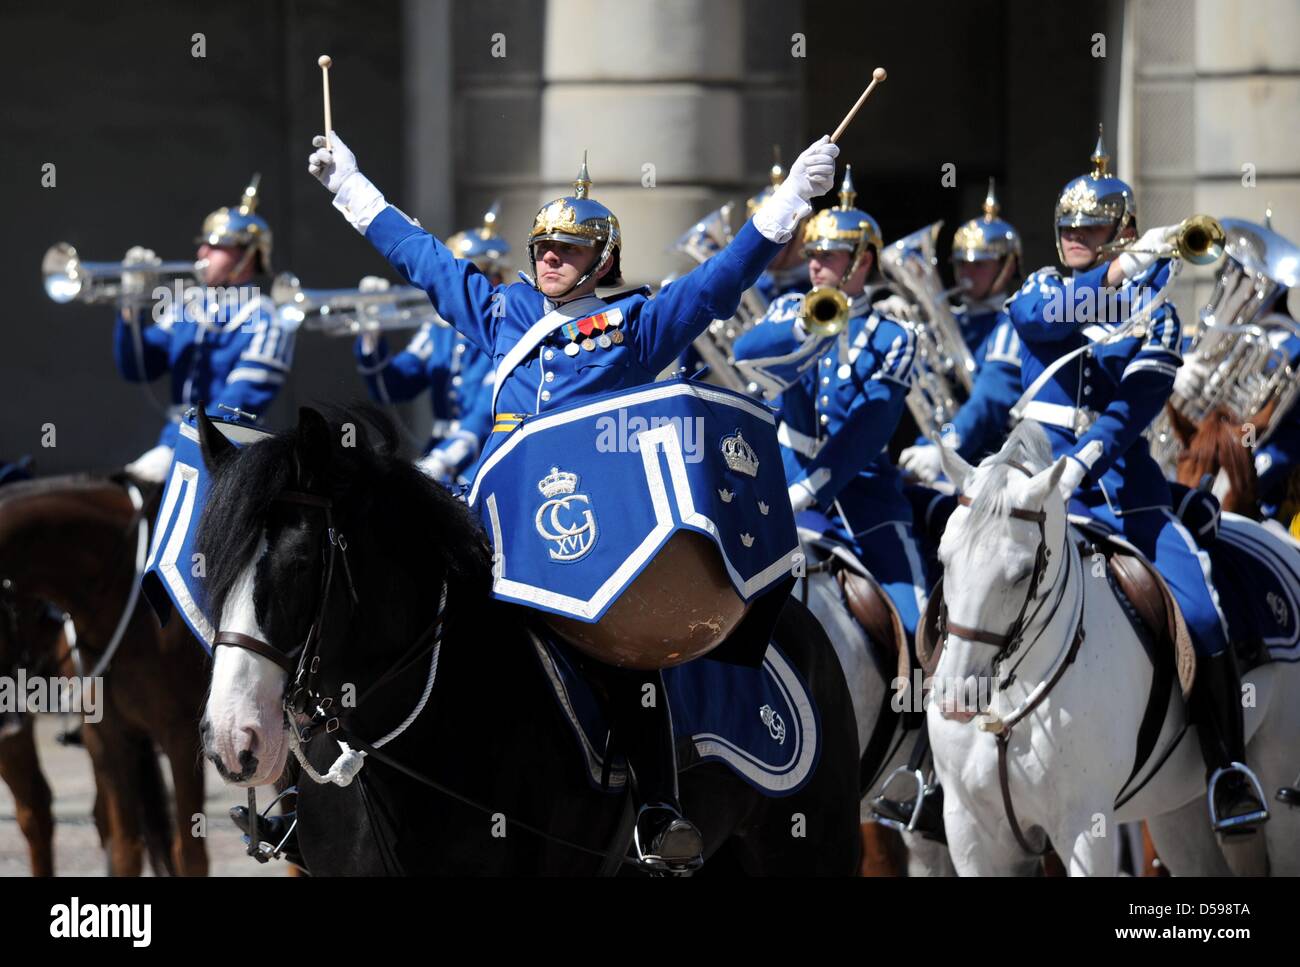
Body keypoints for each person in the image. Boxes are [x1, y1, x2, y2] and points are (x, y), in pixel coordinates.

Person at [309, 128, 840, 871]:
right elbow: (423, 259)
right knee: (367, 598)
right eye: (542, 247)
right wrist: (352, 190)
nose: (550, 258)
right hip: (492, 523)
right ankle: (310, 797)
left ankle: (657, 806)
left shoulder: (637, 323)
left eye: (568, 248)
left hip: (582, 539)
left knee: (630, 650)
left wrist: (788, 204)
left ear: (604, 260)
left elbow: (718, 284)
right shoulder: (502, 315)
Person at [1007, 128, 1268, 834]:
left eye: (1092, 230)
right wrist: (1112, 281)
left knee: (1204, 615)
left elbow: (1140, 400)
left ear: (1124, 232)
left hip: (1125, 492)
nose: (1074, 240)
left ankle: (1226, 769)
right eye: (1068, 228)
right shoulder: (1046, 288)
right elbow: (1037, 321)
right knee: (966, 578)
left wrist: (1086, 459)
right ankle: (940, 769)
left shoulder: (1161, 309)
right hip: (1036, 484)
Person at [733, 167, 927, 639]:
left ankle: (916, 709)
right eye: (813, 254)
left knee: (915, 619)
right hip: (779, 481)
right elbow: (746, 355)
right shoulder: (787, 310)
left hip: (863, 497)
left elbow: (871, 426)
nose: (815, 265)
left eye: (830, 256)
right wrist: (806, 326)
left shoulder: (894, 336)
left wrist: (812, 488)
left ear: (862, 261)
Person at [114, 175, 294, 483]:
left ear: (249, 255)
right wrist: (132, 305)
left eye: (216, 246)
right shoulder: (187, 305)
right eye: (203, 245)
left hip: (230, 457)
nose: (202, 254)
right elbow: (137, 368)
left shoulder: (267, 318)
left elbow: (236, 405)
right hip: (174, 443)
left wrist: (177, 447)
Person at [354, 204, 509, 485]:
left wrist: (443, 460)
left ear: (490, 278)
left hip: (487, 458)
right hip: (438, 453)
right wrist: (372, 336)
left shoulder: (506, 332)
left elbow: (486, 414)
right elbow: (390, 388)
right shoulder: (438, 332)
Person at [898, 178, 1023, 480]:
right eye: (961, 264)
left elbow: (988, 402)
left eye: (979, 265)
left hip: (986, 464)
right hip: (935, 451)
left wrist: (943, 448)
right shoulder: (950, 319)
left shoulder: (1013, 324)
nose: (966, 273)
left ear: (1006, 267)